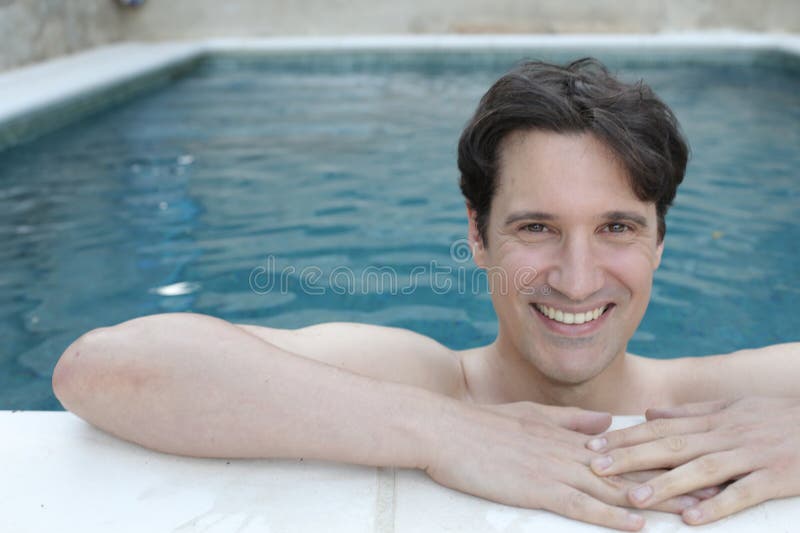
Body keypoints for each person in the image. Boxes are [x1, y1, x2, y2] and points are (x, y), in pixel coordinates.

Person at [51, 58, 799, 532]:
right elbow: (103, 366)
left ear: (660, 240)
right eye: (537, 227)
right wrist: (446, 432)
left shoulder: (717, 401)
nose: (577, 277)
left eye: (616, 228)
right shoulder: (426, 380)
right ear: (477, 235)